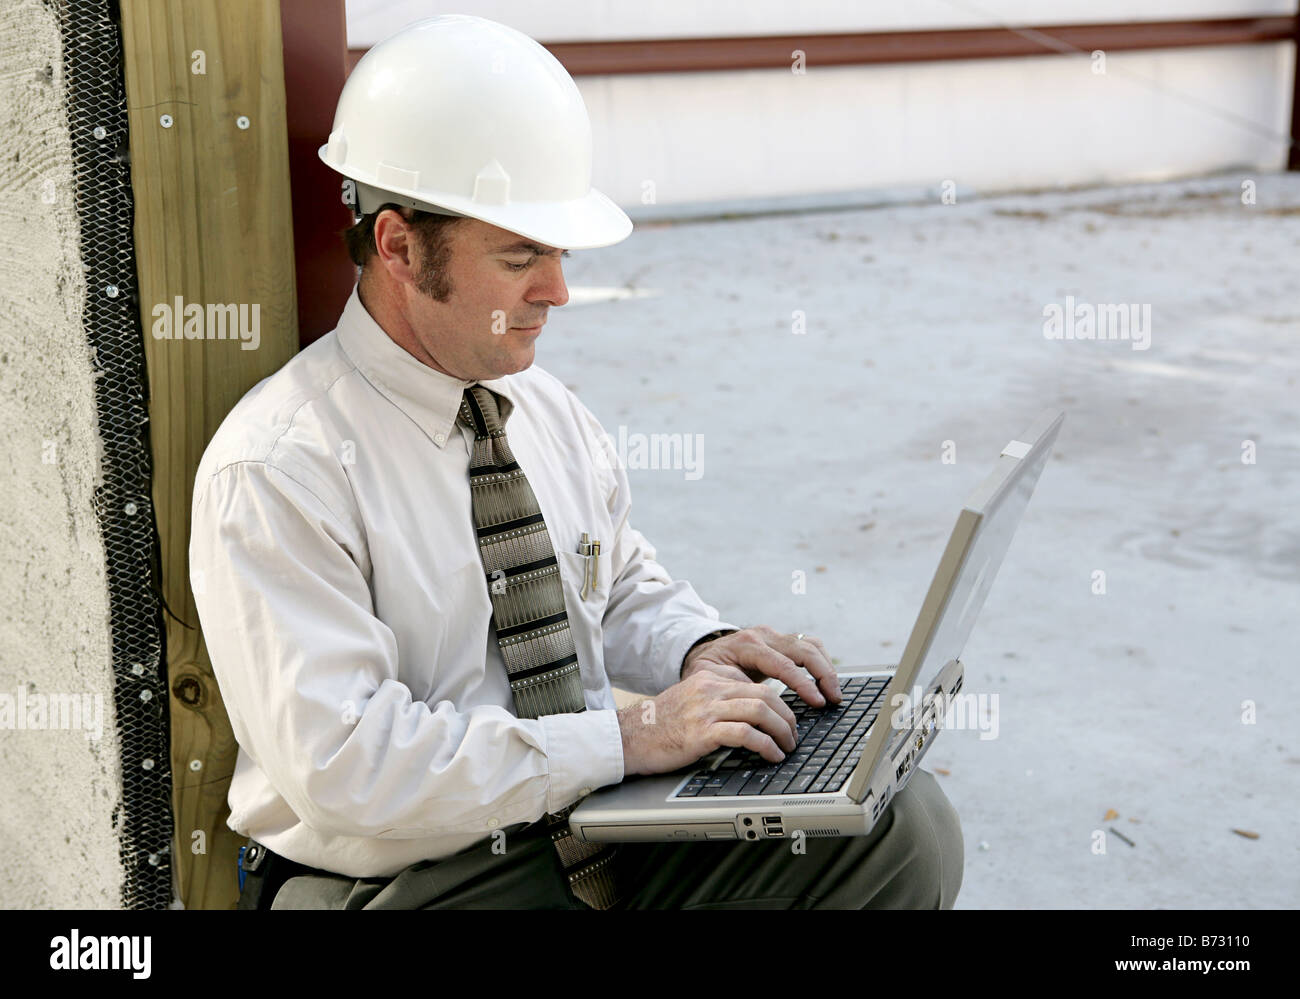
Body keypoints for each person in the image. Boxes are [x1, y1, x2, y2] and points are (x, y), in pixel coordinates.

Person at [189, 14, 963, 910]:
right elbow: (348, 765)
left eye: (558, 253)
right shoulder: (281, 466)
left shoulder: (542, 407)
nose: (557, 290)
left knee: (901, 831)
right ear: (398, 245)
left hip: (587, 817)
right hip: (410, 876)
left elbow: (615, 577)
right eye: (521, 257)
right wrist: (632, 736)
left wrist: (702, 651)